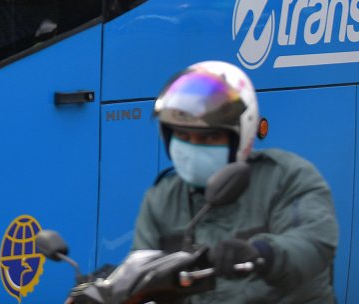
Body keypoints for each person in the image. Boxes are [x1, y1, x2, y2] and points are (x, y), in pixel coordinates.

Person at [132, 60, 337, 303]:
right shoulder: (161, 199)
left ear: (240, 138)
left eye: (208, 138)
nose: (192, 147)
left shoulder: (286, 177)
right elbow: (141, 273)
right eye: (182, 135)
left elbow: (314, 241)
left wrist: (263, 254)